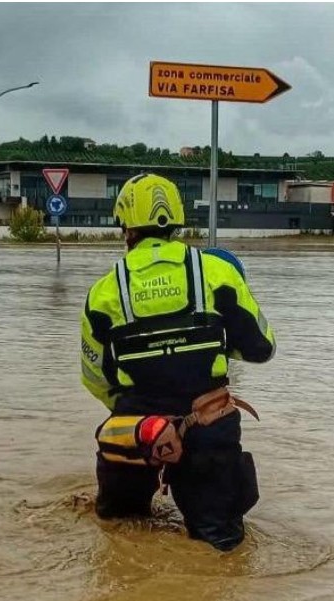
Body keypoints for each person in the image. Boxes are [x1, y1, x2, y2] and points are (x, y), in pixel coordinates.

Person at [80, 174, 276, 550]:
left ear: (125, 224)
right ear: (178, 219)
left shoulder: (102, 292)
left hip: (135, 430)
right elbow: (261, 348)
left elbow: (95, 377)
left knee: (122, 536)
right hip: (209, 428)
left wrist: (132, 411)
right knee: (220, 545)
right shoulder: (219, 273)